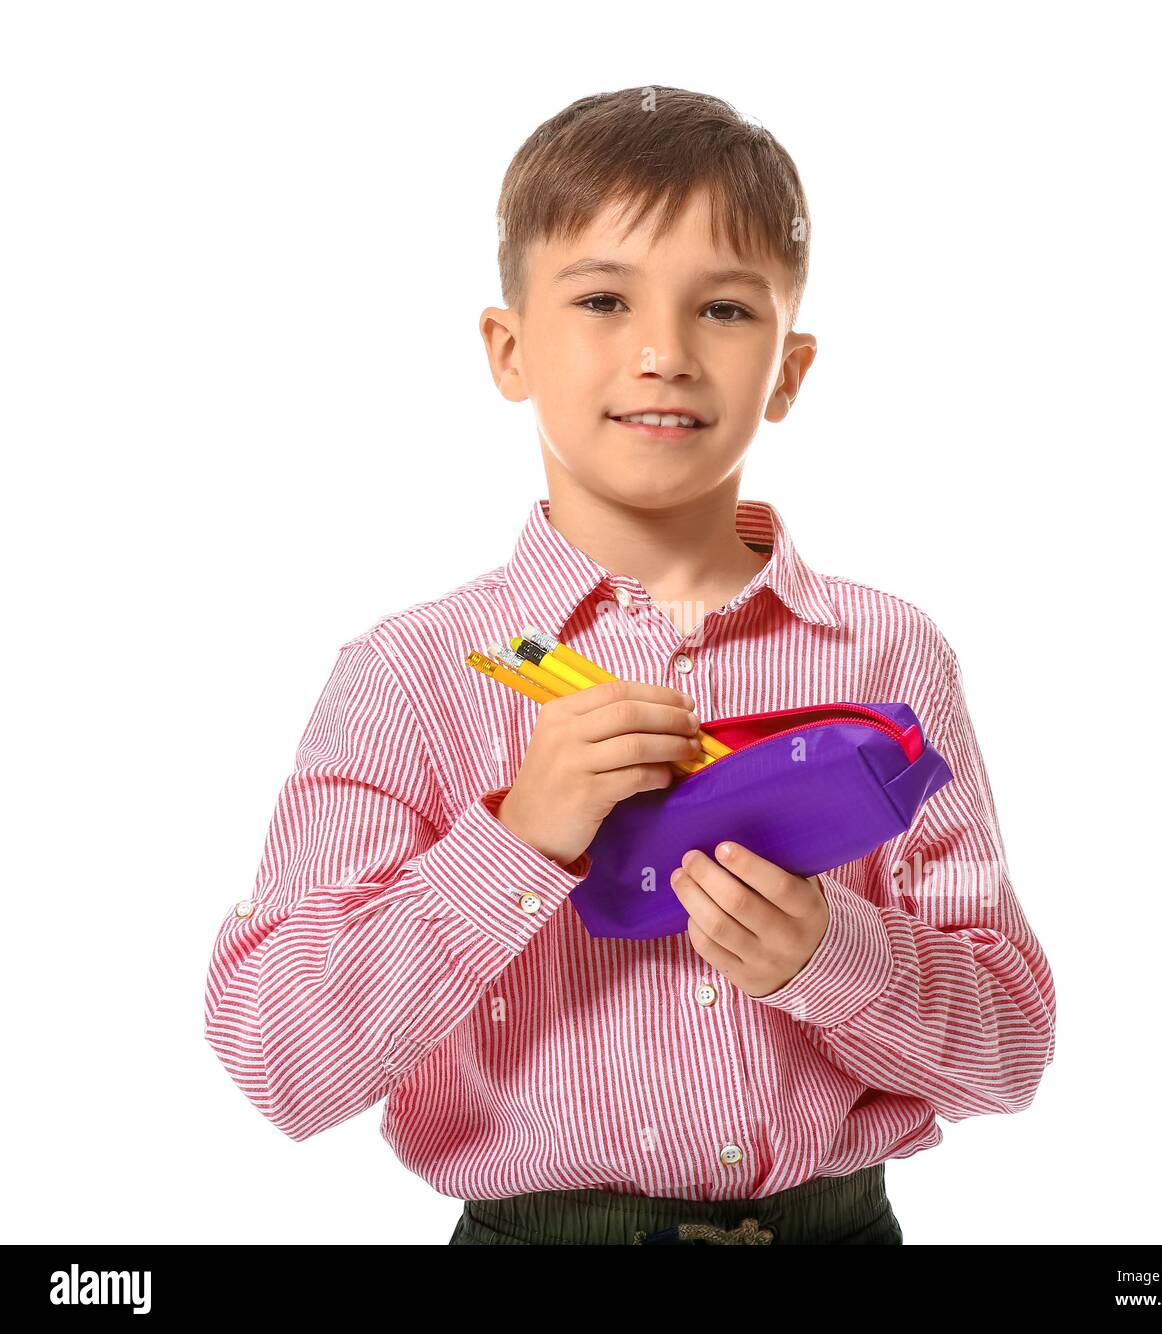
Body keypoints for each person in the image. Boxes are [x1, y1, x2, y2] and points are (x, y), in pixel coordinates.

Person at [202, 85, 1056, 1246]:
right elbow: (281, 1058)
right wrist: (517, 837)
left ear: (790, 369)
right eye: (603, 298)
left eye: (723, 309)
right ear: (508, 349)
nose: (662, 353)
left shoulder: (888, 652)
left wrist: (829, 955)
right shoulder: (411, 676)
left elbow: (1009, 1051)